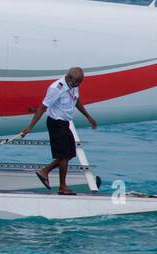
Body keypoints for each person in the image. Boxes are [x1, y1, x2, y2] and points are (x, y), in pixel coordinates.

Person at [19, 66, 98, 195]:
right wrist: (30, 127)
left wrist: (88, 116)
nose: (77, 85)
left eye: (79, 83)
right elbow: (42, 108)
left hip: (65, 123)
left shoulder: (74, 86)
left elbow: (76, 100)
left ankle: (45, 171)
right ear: (70, 77)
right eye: (76, 82)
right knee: (64, 156)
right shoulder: (56, 88)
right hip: (56, 123)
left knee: (70, 153)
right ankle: (62, 186)